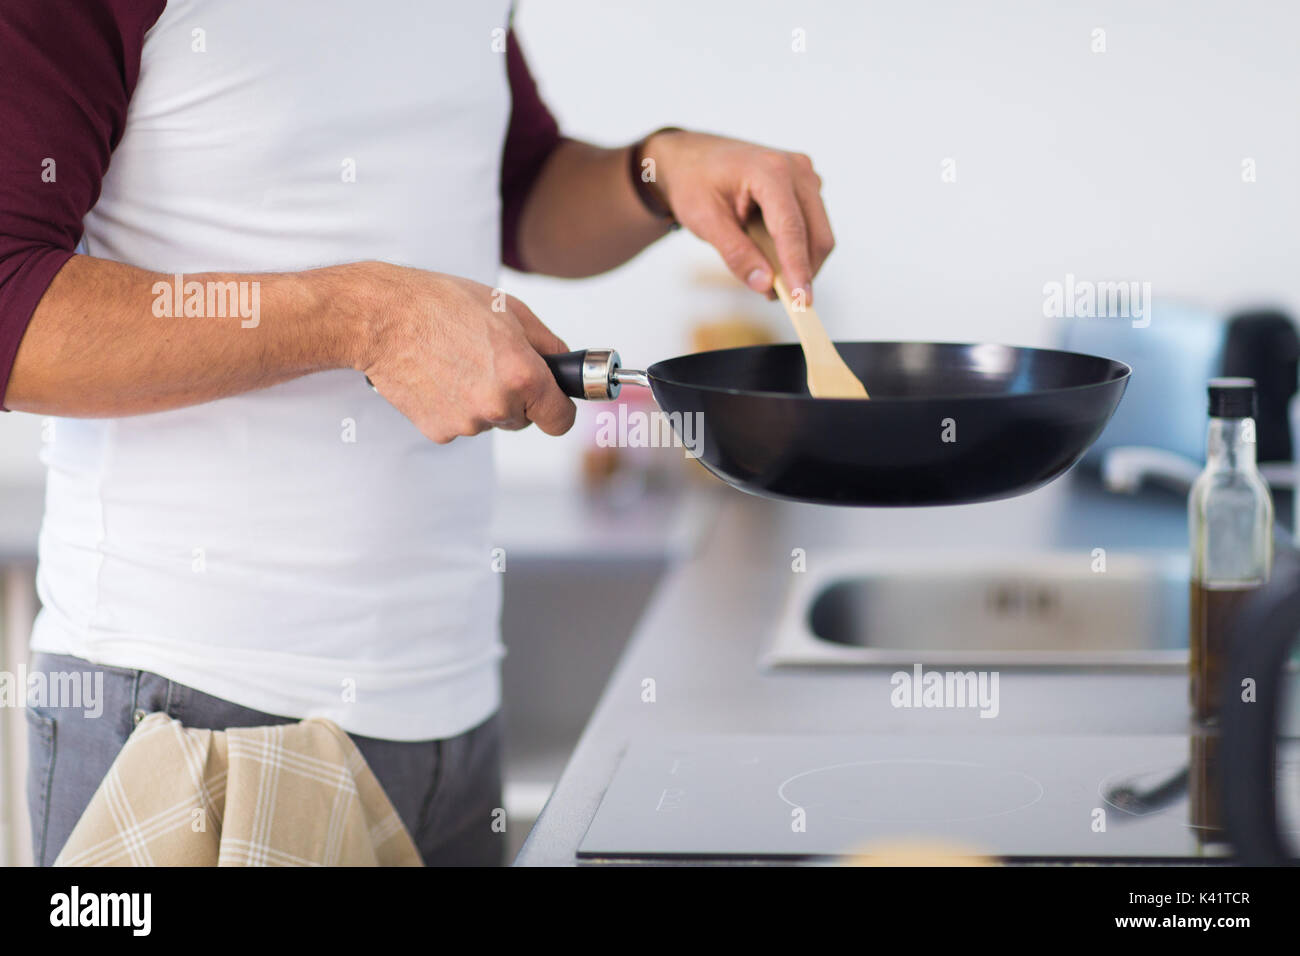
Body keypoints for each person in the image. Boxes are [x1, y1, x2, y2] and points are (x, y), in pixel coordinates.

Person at [0, 1, 833, 865]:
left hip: (451, 708)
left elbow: (511, 184)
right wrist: (365, 317)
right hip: (197, 713)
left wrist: (658, 169)